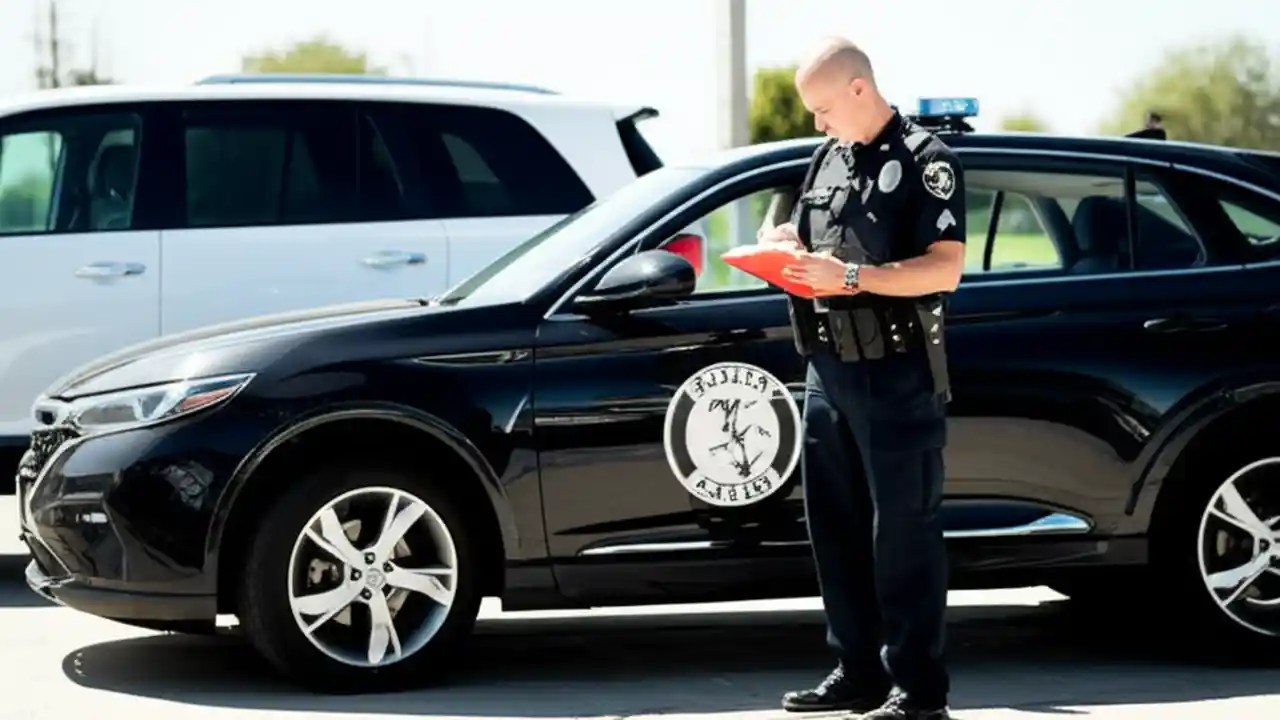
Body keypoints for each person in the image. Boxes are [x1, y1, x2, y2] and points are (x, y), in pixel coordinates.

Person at [757, 36, 966, 720]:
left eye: (822, 108)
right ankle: (857, 672)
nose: (815, 123)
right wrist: (787, 249)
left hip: (897, 371)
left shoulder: (925, 160)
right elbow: (812, 238)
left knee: (904, 536)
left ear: (857, 89)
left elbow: (945, 268)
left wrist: (849, 278)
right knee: (837, 530)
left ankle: (918, 691)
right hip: (829, 370)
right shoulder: (829, 157)